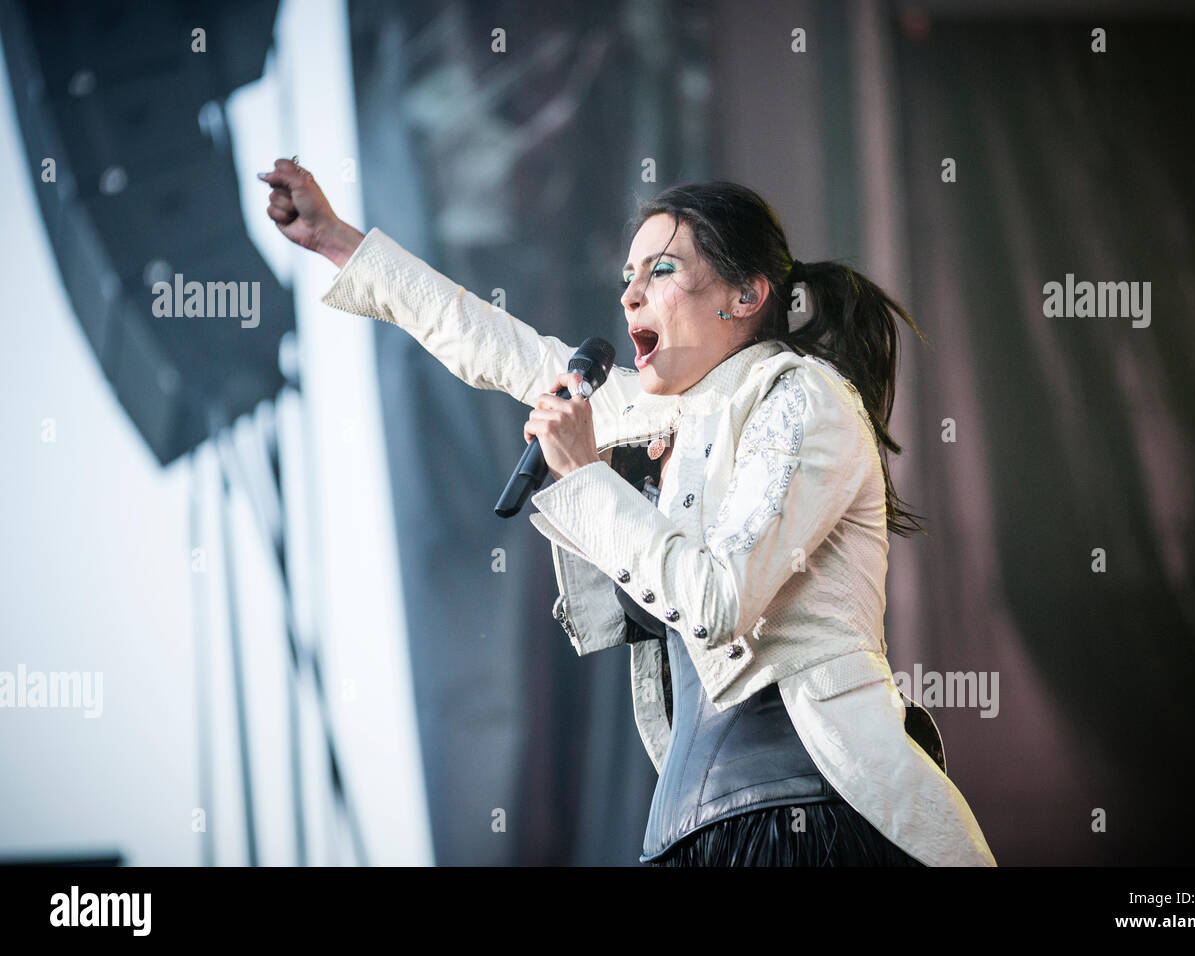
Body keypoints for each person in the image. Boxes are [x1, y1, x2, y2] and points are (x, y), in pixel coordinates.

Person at [260, 158, 997, 867]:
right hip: (687, 829)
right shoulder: (656, 413)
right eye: (626, 278)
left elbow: (720, 598)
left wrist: (586, 478)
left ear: (744, 296)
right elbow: (491, 342)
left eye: (661, 270)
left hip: (815, 813)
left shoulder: (800, 394)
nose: (630, 294)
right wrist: (333, 239)